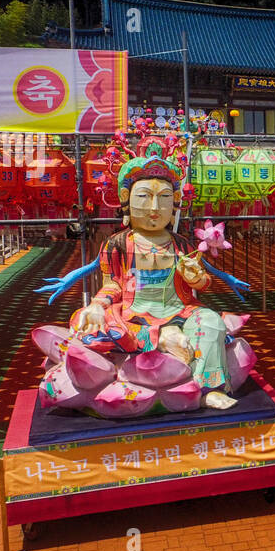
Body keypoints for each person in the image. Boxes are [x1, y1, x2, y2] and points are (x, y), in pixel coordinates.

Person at [70, 152, 237, 409]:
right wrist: (97, 304)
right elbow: (112, 283)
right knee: (95, 325)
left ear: (175, 203)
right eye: (144, 197)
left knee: (212, 322)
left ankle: (207, 388)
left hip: (178, 309)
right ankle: (158, 341)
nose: (154, 208)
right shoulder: (118, 244)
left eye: (164, 198)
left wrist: (196, 279)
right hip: (134, 312)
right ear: (126, 200)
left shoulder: (181, 244)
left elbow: (202, 285)